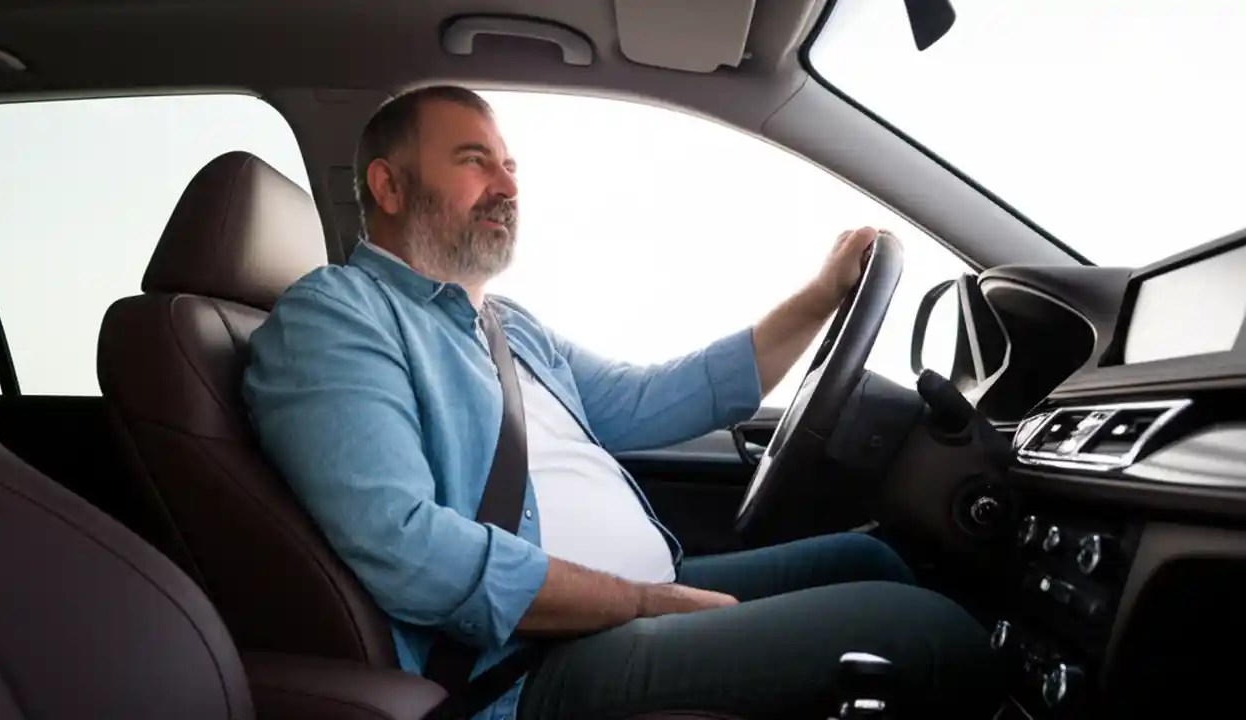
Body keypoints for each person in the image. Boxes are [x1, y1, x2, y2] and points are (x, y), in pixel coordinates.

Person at [243, 85, 999, 720]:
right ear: (389, 185)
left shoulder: (511, 329)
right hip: (532, 664)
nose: (507, 186)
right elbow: (406, 546)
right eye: (475, 162)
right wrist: (637, 602)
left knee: (869, 559)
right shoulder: (338, 314)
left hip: (630, 605)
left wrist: (822, 296)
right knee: (928, 634)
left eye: (510, 167)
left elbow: (650, 399)